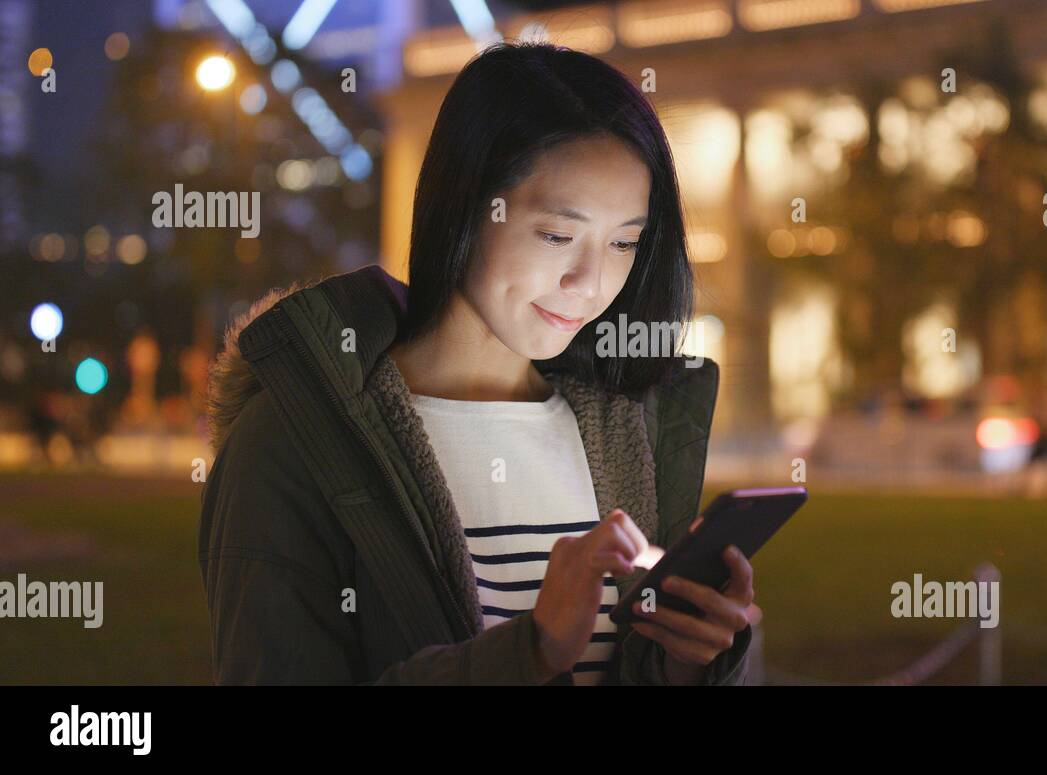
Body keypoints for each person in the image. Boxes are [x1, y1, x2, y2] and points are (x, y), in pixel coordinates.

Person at [198, 42, 754, 685]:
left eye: (625, 241)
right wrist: (532, 651)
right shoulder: (296, 438)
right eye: (556, 235)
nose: (591, 281)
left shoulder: (624, 432)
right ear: (464, 208)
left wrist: (689, 664)